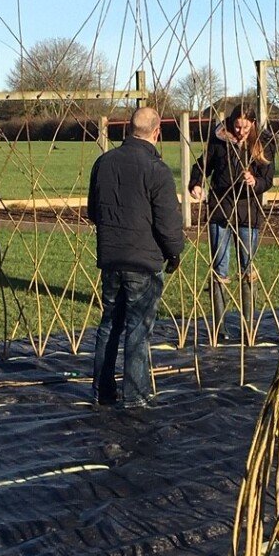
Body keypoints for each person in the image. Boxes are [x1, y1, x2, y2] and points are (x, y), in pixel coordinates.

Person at [86, 105, 184, 408]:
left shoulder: (103, 162)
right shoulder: (157, 171)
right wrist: (175, 253)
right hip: (143, 261)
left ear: (128, 129)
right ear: (157, 132)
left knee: (110, 325)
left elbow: (93, 210)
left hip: (111, 257)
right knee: (138, 330)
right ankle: (136, 396)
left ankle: (103, 391)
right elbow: (168, 223)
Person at [194, 107, 275, 340]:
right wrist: (196, 183)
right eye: (237, 127)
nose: (240, 132)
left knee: (248, 268)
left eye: (245, 127)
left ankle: (249, 326)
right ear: (231, 122)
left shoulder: (264, 142)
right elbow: (202, 166)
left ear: (252, 124)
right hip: (220, 210)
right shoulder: (219, 139)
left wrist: (255, 181)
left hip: (248, 212)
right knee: (219, 268)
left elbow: (268, 179)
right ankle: (220, 329)